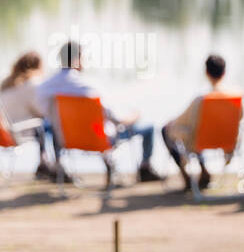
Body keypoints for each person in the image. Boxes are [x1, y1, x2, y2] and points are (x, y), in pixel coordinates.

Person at [34, 41, 164, 183]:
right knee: (148, 127)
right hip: (98, 139)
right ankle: (144, 169)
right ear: (77, 59)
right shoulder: (89, 87)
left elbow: (42, 112)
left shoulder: (45, 87)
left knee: (53, 125)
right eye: (83, 58)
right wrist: (133, 117)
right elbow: (115, 118)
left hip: (65, 139)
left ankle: (59, 167)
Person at [162, 53, 242, 192]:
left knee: (168, 129)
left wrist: (171, 123)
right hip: (228, 142)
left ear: (206, 73)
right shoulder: (237, 98)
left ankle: (188, 177)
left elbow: (180, 122)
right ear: (224, 72)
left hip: (200, 142)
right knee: (198, 130)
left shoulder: (201, 101)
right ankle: (204, 173)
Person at [0, 50, 56, 179]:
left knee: (43, 124)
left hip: (3, 133)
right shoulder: (32, 84)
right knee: (49, 124)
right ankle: (54, 164)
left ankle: (44, 162)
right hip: (20, 131)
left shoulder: (5, 85)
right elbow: (43, 111)